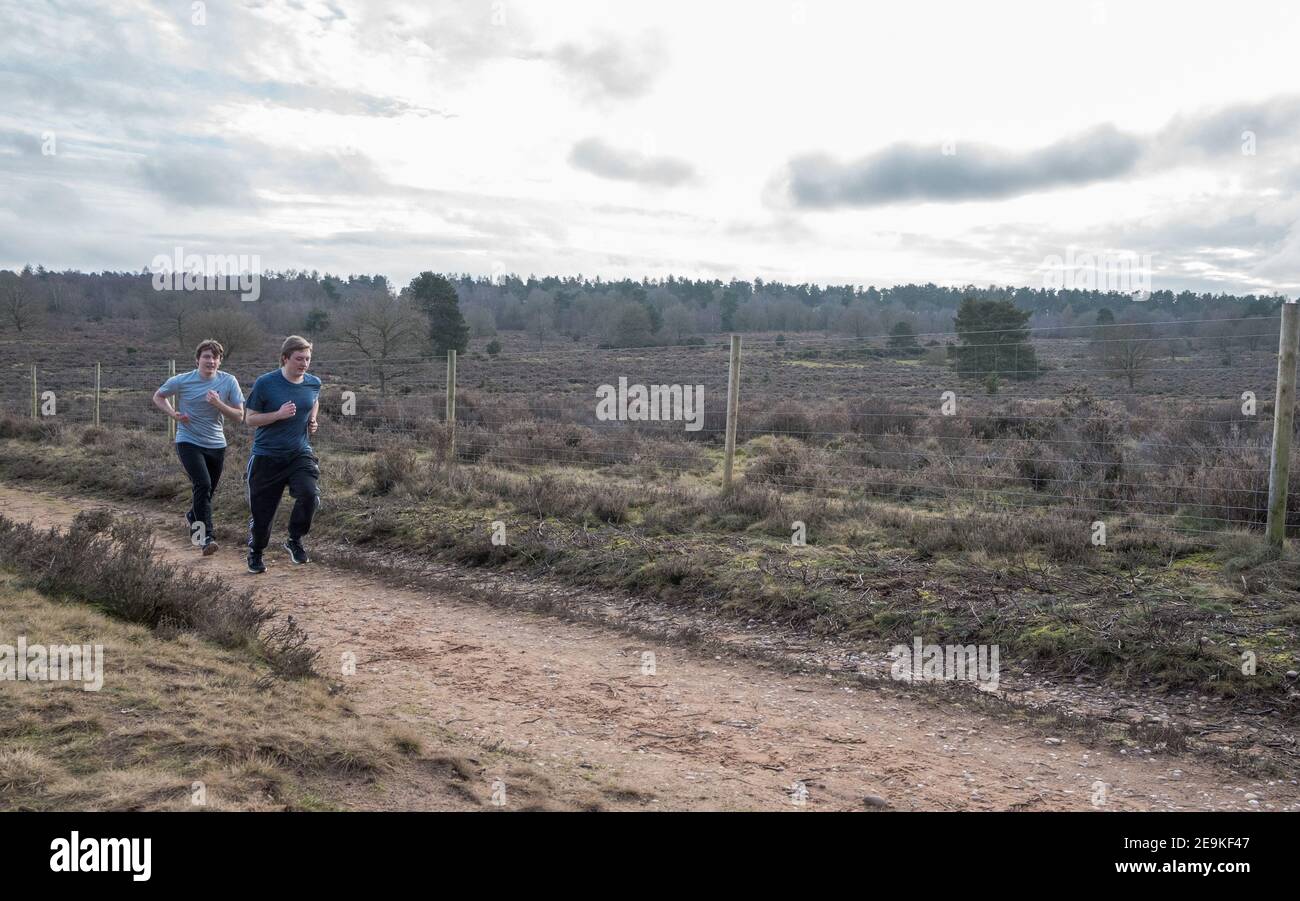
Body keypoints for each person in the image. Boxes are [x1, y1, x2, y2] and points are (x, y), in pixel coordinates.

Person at [151, 339, 245, 555]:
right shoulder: (182, 380)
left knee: (208, 491)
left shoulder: (229, 381)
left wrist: (218, 404)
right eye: (206, 356)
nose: (210, 361)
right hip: (188, 441)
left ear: (220, 361)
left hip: (216, 444)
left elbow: (239, 417)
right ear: (197, 360)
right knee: (202, 484)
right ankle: (205, 538)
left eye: (214, 357)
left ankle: (194, 517)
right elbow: (158, 396)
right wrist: (174, 414)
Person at [243, 335, 321, 574]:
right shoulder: (266, 383)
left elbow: (313, 400)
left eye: (307, 359)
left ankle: (294, 539)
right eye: (299, 359)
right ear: (285, 358)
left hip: (299, 453)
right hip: (267, 457)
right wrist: (277, 414)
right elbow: (250, 419)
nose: (304, 363)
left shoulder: (313, 382)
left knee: (310, 495)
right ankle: (256, 551)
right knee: (263, 517)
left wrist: (312, 419)